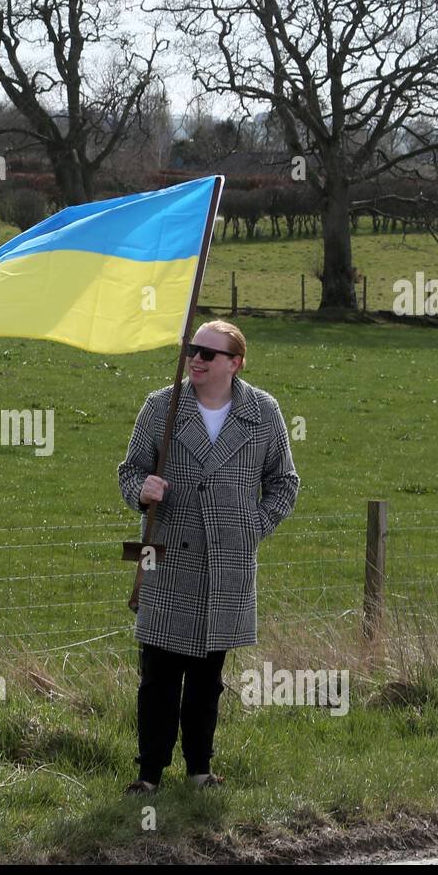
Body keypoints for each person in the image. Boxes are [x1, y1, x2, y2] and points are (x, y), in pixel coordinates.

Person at [117, 319, 299, 794]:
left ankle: (200, 770)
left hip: (227, 564)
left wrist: (251, 529)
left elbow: (284, 483)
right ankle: (149, 775)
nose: (195, 359)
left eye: (208, 353)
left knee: (206, 678)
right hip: (168, 561)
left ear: (235, 363)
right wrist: (142, 489)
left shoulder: (263, 413)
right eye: (191, 350)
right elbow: (128, 471)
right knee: (157, 677)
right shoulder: (162, 406)